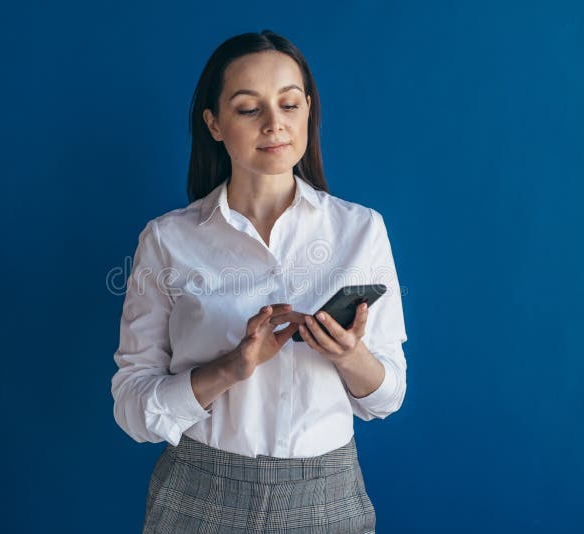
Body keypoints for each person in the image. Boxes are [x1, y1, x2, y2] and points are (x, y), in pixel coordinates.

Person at [110, 29, 408, 534]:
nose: (275, 124)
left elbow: (387, 396)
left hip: (328, 497)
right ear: (214, 123)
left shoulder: (361, 231)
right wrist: (230, 368)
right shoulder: (166, 240)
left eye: (289, 104)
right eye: (249, 109)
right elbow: (132, 408)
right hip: (198, 497)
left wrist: (348, 355)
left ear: (308, 109)